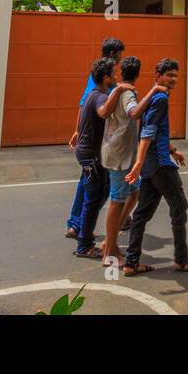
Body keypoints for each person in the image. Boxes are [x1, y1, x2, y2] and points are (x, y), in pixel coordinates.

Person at [123, 58, 188, 274]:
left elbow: (158, 132)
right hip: (159, 165)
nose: (173, 79)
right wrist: (138, 162)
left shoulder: (154, 96)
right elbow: (148, 132)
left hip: (152, 167)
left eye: (175, 75)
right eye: (169, 75)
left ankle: (131, 263)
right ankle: (181, 259)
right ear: (158, 76)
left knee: (141, 215)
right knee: (179, 207)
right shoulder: (160, 98)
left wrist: (173, 150)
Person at [99, 56, 166, 267]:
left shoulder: (118, 90)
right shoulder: (127, 93)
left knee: (135, 193)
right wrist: (154, 90)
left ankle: (110, 243)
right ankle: (109, 252)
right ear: (138, 74)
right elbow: (135, 113)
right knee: (117, 201)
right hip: (120, 155)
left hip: (122, 153)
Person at [66, 37, 124, 239]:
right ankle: (79, 226)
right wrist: (78, 131)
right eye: (119, 54)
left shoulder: (99, 74)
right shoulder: (99, 77)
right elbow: (86, 105)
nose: (121, 58)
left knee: (91, 182)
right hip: (94, 146)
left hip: (95, 144)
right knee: (96, 186)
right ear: (111, 54)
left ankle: (77, 224)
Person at [73, 56, 117, 259]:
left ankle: (83, 232)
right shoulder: (100, 96)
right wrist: (120, 91)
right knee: (93, 197)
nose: (116, 76)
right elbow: (103, 112)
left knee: (102, 191)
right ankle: (84, 245)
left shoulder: (95, 93)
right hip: (90, 155)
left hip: (90, 154)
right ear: (106, 77)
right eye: (114, 73)